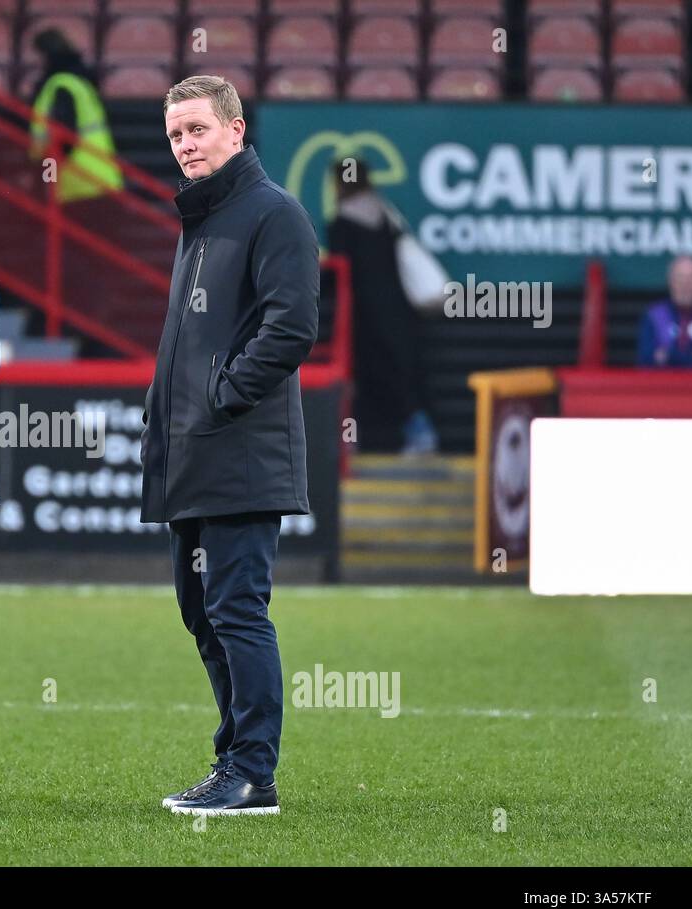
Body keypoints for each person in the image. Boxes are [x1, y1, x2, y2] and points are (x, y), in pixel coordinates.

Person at [141, 75, 318, 816]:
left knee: (236, 608)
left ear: (237, 131)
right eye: (176, 133)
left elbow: (292, 327)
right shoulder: (204, 220)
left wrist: (221, 396)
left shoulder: (273, 213)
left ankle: (254, 775)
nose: (186, 144)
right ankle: (232, 765)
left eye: (198, 130)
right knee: (203, 610)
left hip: (239, 451)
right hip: (195, 452)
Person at [327, 159, 438, 454]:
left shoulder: (342, 223)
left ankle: (350, 446)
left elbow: (340, 274)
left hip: (362, 317)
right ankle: (419, 434)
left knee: (360, 381)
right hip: (399, 311)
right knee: (402, 375)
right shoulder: (386, 215)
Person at [27, 28, 123, 204]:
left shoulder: (60, 86)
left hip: (77, 181)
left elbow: (64, 136)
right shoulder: (80, 82)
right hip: (100, 176)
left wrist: (47, 177)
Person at [638, 255, 692, 368]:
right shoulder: (654, 316)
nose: (685, 284)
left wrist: (668, 355)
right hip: (661, 384)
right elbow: (646, 360)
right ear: (670, 281)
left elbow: (662, 357)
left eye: (691, 278)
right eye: (680, 278)